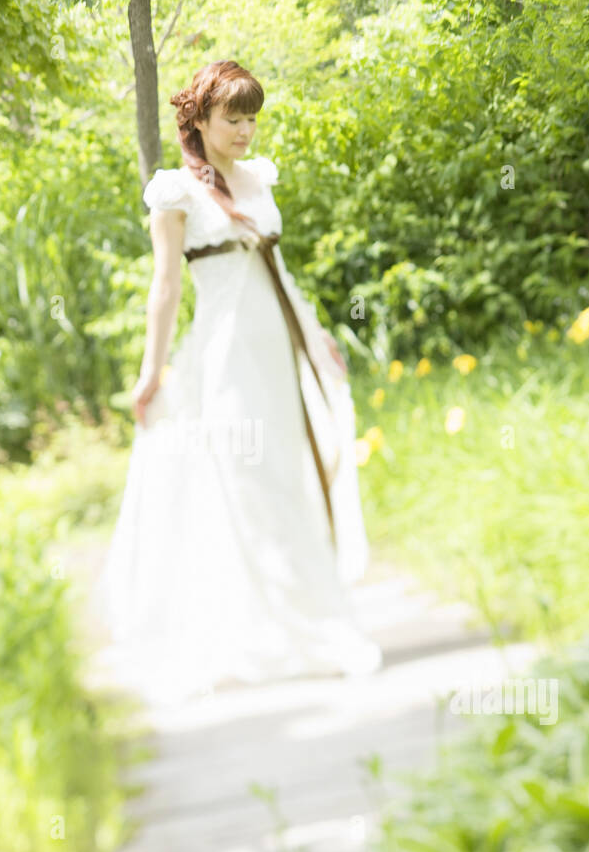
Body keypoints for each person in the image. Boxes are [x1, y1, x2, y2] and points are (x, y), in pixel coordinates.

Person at [93, 59, 382, 705]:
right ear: (198, 119)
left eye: (252, 118)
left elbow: (275, 274)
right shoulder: (175, 192)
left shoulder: (259, 180)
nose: (245, 130)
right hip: (223, 357)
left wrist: (316, 336)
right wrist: (150, 371)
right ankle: (246, 630)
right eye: (233, 118)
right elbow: (165, 288)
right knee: (244, 481)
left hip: (274, 348)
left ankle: (300, 620)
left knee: (283, 475)